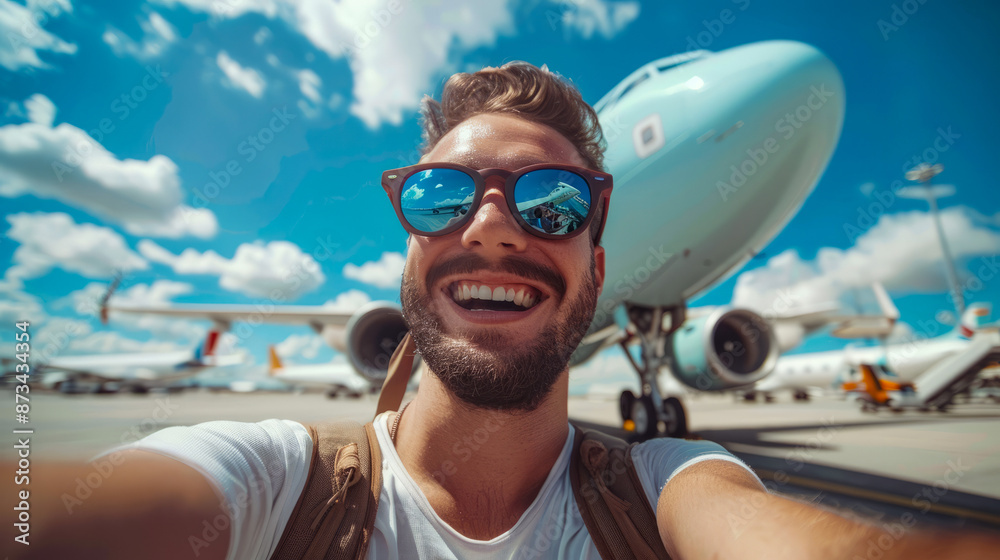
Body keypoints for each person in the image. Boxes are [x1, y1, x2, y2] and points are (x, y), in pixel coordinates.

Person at [28, 62, 999, 560]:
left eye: (552, 204)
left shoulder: (663, 492)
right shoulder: (281, 482)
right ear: (409, 239)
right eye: (447, 196)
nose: (494, 225)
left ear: (596, 251)